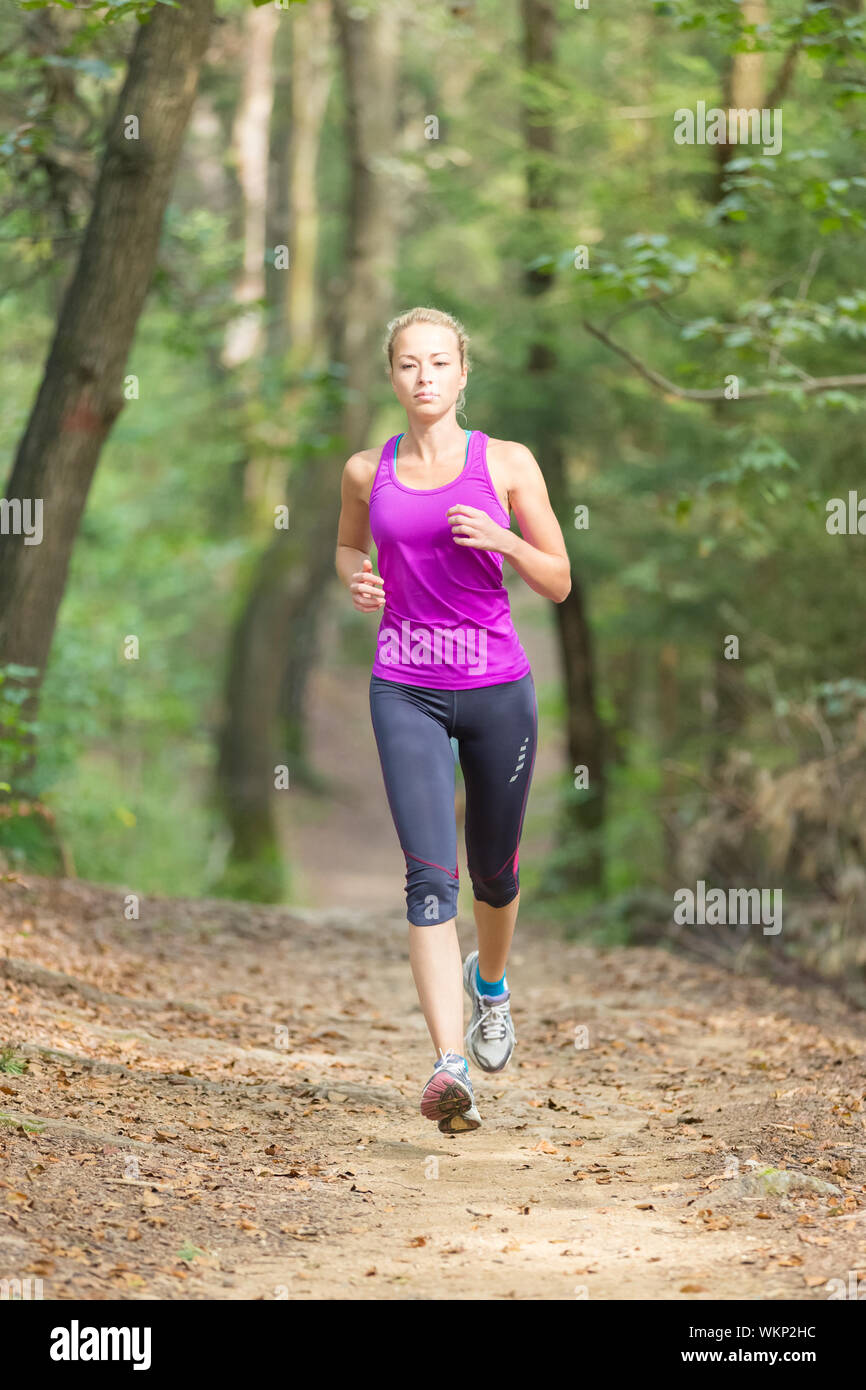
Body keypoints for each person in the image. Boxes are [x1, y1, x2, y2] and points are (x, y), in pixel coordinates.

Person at [334, 306, 571, 1133]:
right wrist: (358, 580)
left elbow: (559, 579)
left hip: (497, 688)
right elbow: (347, 549)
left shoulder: (505, 463)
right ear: (392, 375)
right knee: (431, 878)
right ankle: (447, 1064)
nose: (425, 377)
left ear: (463, 373)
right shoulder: (369, 469)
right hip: (404, 687)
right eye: (408, 364)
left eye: (439, 363)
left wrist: (504, 541)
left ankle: (492, 988)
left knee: (495, 872)